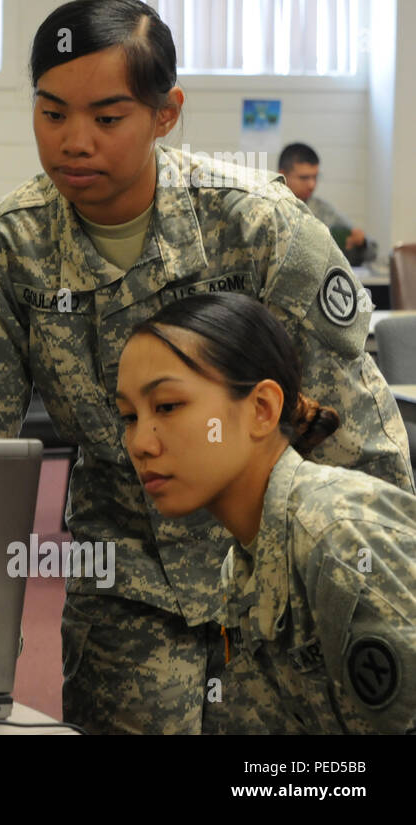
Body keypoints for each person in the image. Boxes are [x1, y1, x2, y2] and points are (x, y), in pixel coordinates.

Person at [0, 0, 414, 734]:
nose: (74, 141)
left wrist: (356, 591)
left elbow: (362, 453)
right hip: (127, 597)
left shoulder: (261, 226)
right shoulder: (11, 249)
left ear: (166, 112)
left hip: (276, 584)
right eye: (51, 113)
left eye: (108, 116)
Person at [116, 293, 416, 734]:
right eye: (128, 416)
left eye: (167, 406)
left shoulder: (337, 538)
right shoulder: (242, 566)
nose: (140, 443)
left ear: (261, 409)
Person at [278, 142, 376, 265]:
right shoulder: (265, 208)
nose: (312, 185)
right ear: (282, 174)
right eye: (304, 178)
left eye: (315, 177)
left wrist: (361, 243)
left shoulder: (322, 211)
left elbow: (371, 251)